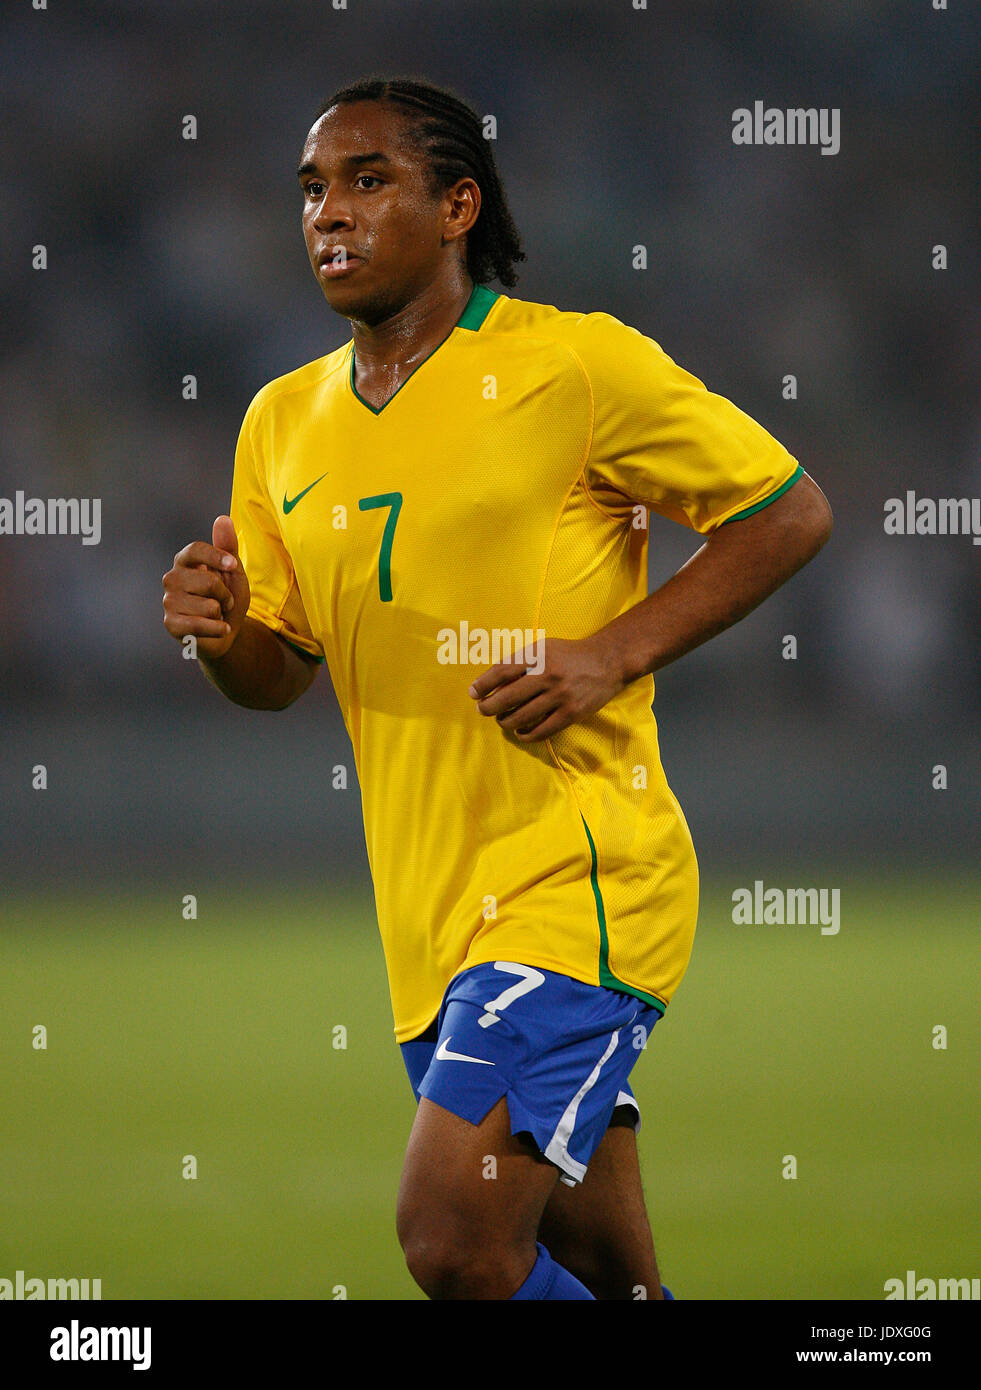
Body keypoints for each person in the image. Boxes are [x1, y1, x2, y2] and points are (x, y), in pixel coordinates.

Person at [161, 75, 833, 1300]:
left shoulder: (572, 365)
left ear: (459, 205)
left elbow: (787, 510)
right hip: (428, 915)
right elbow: (277, 675)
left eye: (370, 181)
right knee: (605, 1272)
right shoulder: (280, 422)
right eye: (313, 188)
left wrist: (615, 648)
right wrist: (218, 636)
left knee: (452, 1238)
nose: (330, 214)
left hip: (572, 881)